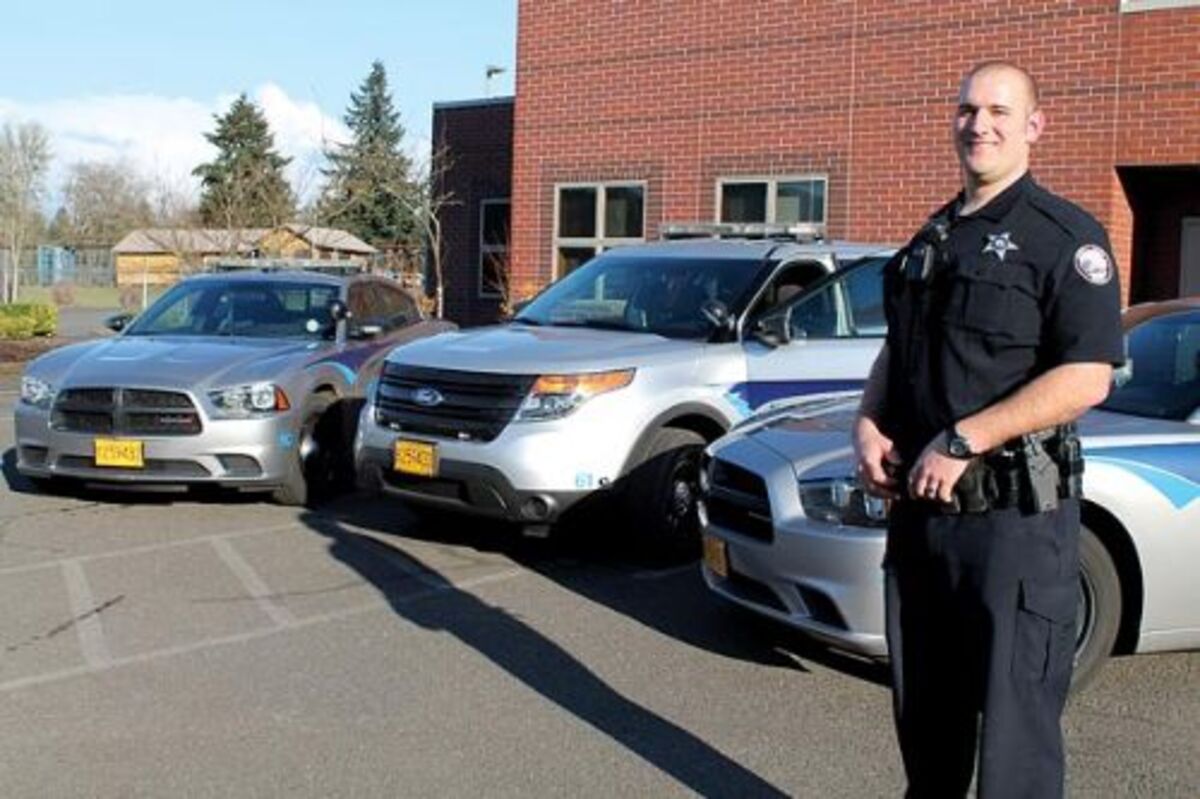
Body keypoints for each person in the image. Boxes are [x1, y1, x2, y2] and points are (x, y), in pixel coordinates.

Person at [853, 62, 1124, 797]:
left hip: (1014, 530)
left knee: (1014, 750)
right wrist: (868, 422)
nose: (980, 124)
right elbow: (895, 350)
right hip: (923, 529)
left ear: (1034, 125)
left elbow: (1087, 376)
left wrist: (964, 437)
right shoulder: (930, 239)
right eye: (968, 109)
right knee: (928, 736)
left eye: (1000, 110)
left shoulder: (1064, 238)